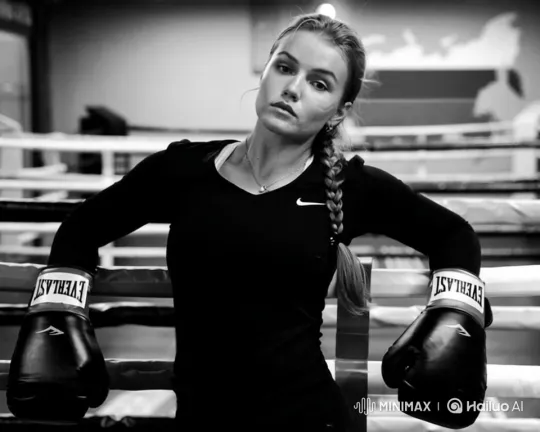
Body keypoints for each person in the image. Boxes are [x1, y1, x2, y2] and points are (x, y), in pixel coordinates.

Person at [7, 12, 492, 432]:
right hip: (201, 418)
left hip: (307, 417)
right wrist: (57, 313)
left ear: (338, 111)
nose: (293, 88)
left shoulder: (351, 186)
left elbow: (453, 234)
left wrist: (455, 317)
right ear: (266, 72)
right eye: (284, 67)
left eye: (319, 83)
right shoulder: (182, 171)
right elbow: (82, 227)